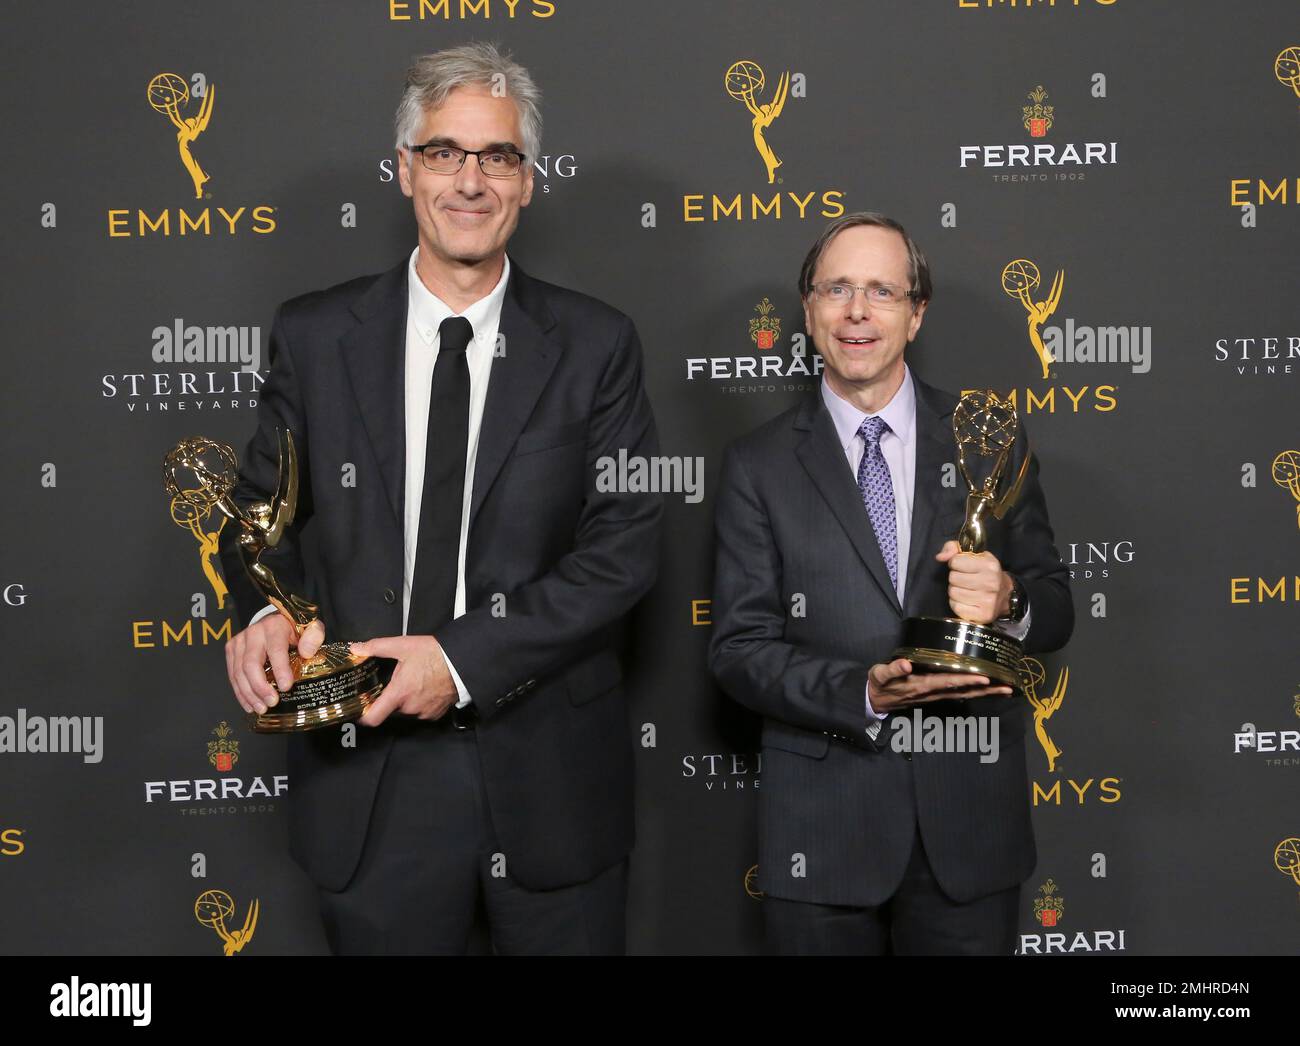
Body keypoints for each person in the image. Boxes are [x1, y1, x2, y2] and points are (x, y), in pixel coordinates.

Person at [217, 42, 662, 955]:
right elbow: (261, 516)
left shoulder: (597, 344)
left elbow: (622, 551)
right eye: (444, 153)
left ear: (529, 181)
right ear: (404, 170)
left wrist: (454, 661)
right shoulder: (313, 336)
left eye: (497, 156)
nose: (471, 180)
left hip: (548, 777)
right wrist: (262, 611)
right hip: (369, 777)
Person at [708, 211, 1073, 955]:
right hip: (822, 835)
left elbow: (1057, 605)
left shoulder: (990, 435)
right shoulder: (757, 465)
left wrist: (1011, 603)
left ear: (916, 313)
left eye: (882, 290)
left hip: (969, 833)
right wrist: (864, 694)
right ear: (808, 311)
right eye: (836, 288)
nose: (857, 311)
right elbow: (739, 650)